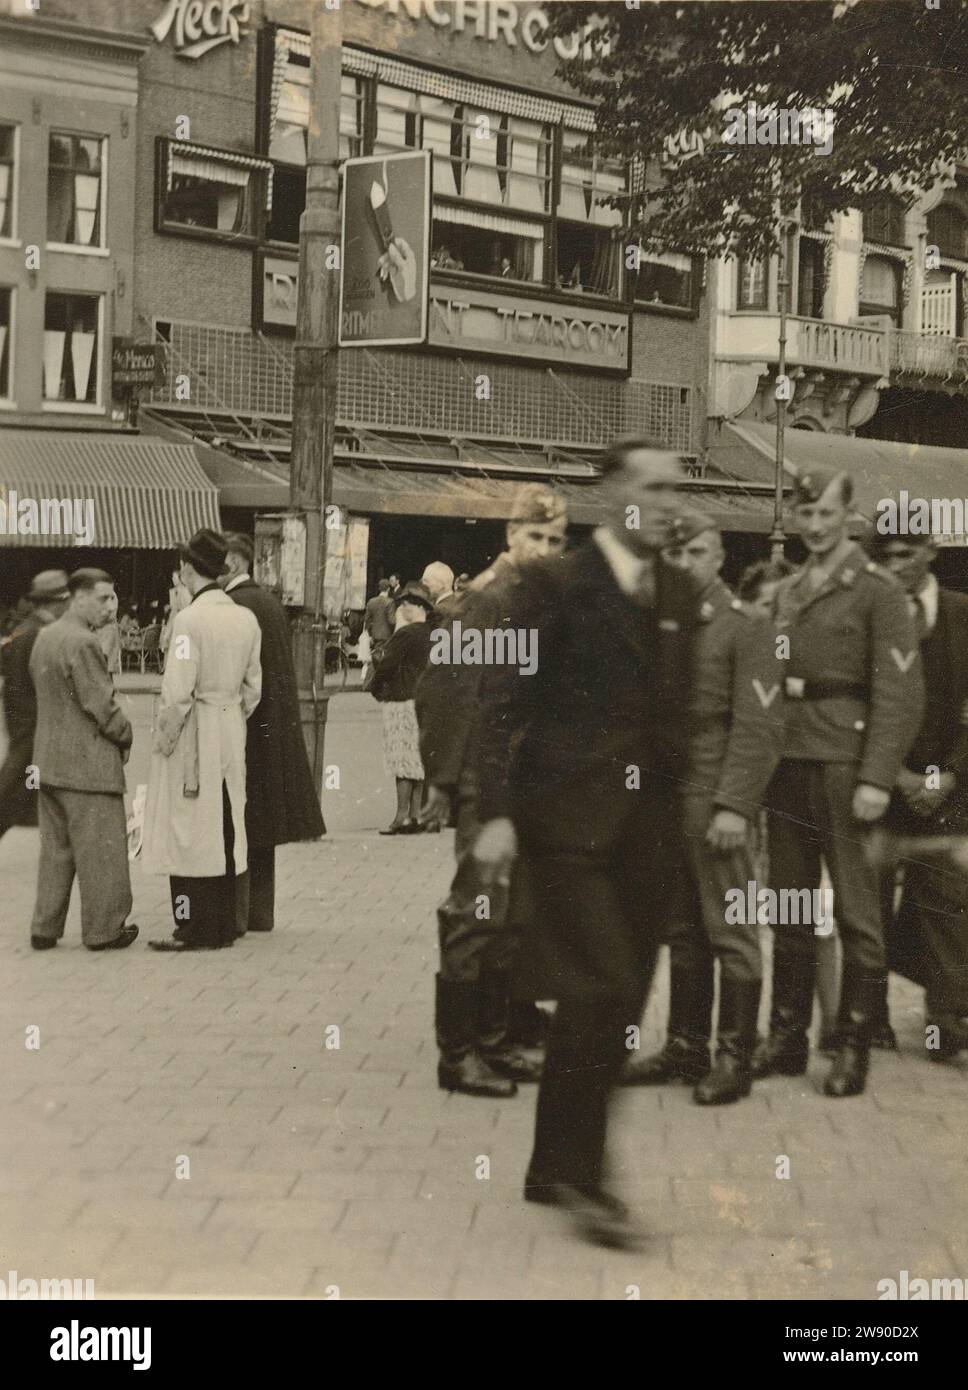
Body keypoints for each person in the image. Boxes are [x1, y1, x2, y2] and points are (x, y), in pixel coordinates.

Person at [474, 438, 698, 1250]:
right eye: (654, 487)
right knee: (601, 979)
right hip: (566, 824)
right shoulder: (555, 583)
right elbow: (500, 702)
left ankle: (547, 1165)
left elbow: (679, 716)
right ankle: (591, 1181)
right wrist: (494, 814)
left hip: (649, 830)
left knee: (612, 994)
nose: (671, 502)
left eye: (679, 488)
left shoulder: (681, 590)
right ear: (611, 493)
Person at [755, 466, 924, 1097]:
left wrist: (879, 775)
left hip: (847, 767)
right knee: (790, 906)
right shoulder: (788, 588)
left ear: (849, 515)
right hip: (789, 763)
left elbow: (900, 694)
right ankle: (786, 1038)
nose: (816, 526)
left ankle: (853, 1044)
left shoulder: (878, 591)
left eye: (827, 514)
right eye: (807, 515)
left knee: (857, 911)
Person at [622, 513, 784, 1104]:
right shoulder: (666, 625)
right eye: (675, 553)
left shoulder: (746, 628)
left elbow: (759, 726)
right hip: (668, 801)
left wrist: (736, 805)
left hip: (717, 800)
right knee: (683, 930)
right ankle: (685, 1048)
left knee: (732, 928)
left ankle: (735, 1058)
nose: (683, 563)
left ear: (718, 558)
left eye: (695, 551)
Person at [417, 485, 568, 1099]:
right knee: (477, 911)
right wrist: (445, 782)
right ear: (511, 536)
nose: (546, 549)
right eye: (535, 537)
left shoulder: (544, 600)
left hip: (530, 782)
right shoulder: (485, 601)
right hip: (489, 782)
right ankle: (459, 1055)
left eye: (557, 540)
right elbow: (446, 694)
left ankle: (498, 1038)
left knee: (516, 915)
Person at [866, 524, 968, 1062]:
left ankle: (946, 1021)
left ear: (931, 551)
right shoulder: (873, 614)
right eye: (888, 554)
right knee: (871, 901)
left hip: (949, 785)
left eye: (909, 552)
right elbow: (860, 703)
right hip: (885, 781)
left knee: (947, 900)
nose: (898, 562)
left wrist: (948, 774)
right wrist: (897, 774)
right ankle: (869, 1017)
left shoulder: (962, 613)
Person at [143, 529, 262, 953]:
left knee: (188, 825)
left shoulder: (188, 621)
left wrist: (164, 738)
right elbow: (253, 688)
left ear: (187, 570)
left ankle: (191, 926)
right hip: (231, 725)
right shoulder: (245, 618)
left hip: (196, 727)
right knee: (228, 819)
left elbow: (177, 691)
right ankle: (224, 923)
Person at [27, 569, 139, 952]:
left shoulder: (46, 637)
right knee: (102, 851)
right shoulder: (83, 642)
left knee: (55, 852)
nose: (112, 606)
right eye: (104, 598)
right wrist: (126, 734)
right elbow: (102, 706)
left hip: (49, 761)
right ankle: (104, 930)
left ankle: (45, 927)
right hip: (89, 767)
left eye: (113, 598)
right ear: (79, 598)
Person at [220, 533, 325, 934]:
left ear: (231, 561)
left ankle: (238, 913)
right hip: (273, 724)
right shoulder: (267, 601)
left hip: (247, 724)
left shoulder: (235, 604)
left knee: (239, 819)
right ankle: (261, 913)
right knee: (261, 823)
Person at [0, 571, 70, 842]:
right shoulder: (41, 632)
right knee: (11, 790)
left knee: (18, 787)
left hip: (23, 719)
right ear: (58, 602)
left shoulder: (27, 628)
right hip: (32, 722)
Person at [370, 581, 434, 836]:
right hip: (423, 702)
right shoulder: (431, 632)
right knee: (416, 761)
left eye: (405, 603)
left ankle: (399, 818)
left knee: (400, 759)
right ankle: (415, 816)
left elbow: (386, 665)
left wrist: (375, 686)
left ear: (415, 606)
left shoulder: (405, 635)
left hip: (400, 700)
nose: (401, 607)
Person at [364, 579, 395, 663]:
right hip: (386, 635)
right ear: (388, 589)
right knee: (384, 658)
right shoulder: (390, 602)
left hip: (374, 635)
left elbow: (367, 619)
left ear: (379, 588)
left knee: (375, 656)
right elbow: (391, 621)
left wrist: (369, 634)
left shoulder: (371, 601)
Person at [97, 589, 122, 678]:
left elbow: (110, 613)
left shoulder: (110, 595)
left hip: (108, 629)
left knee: (106, 657)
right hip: (104, 629)